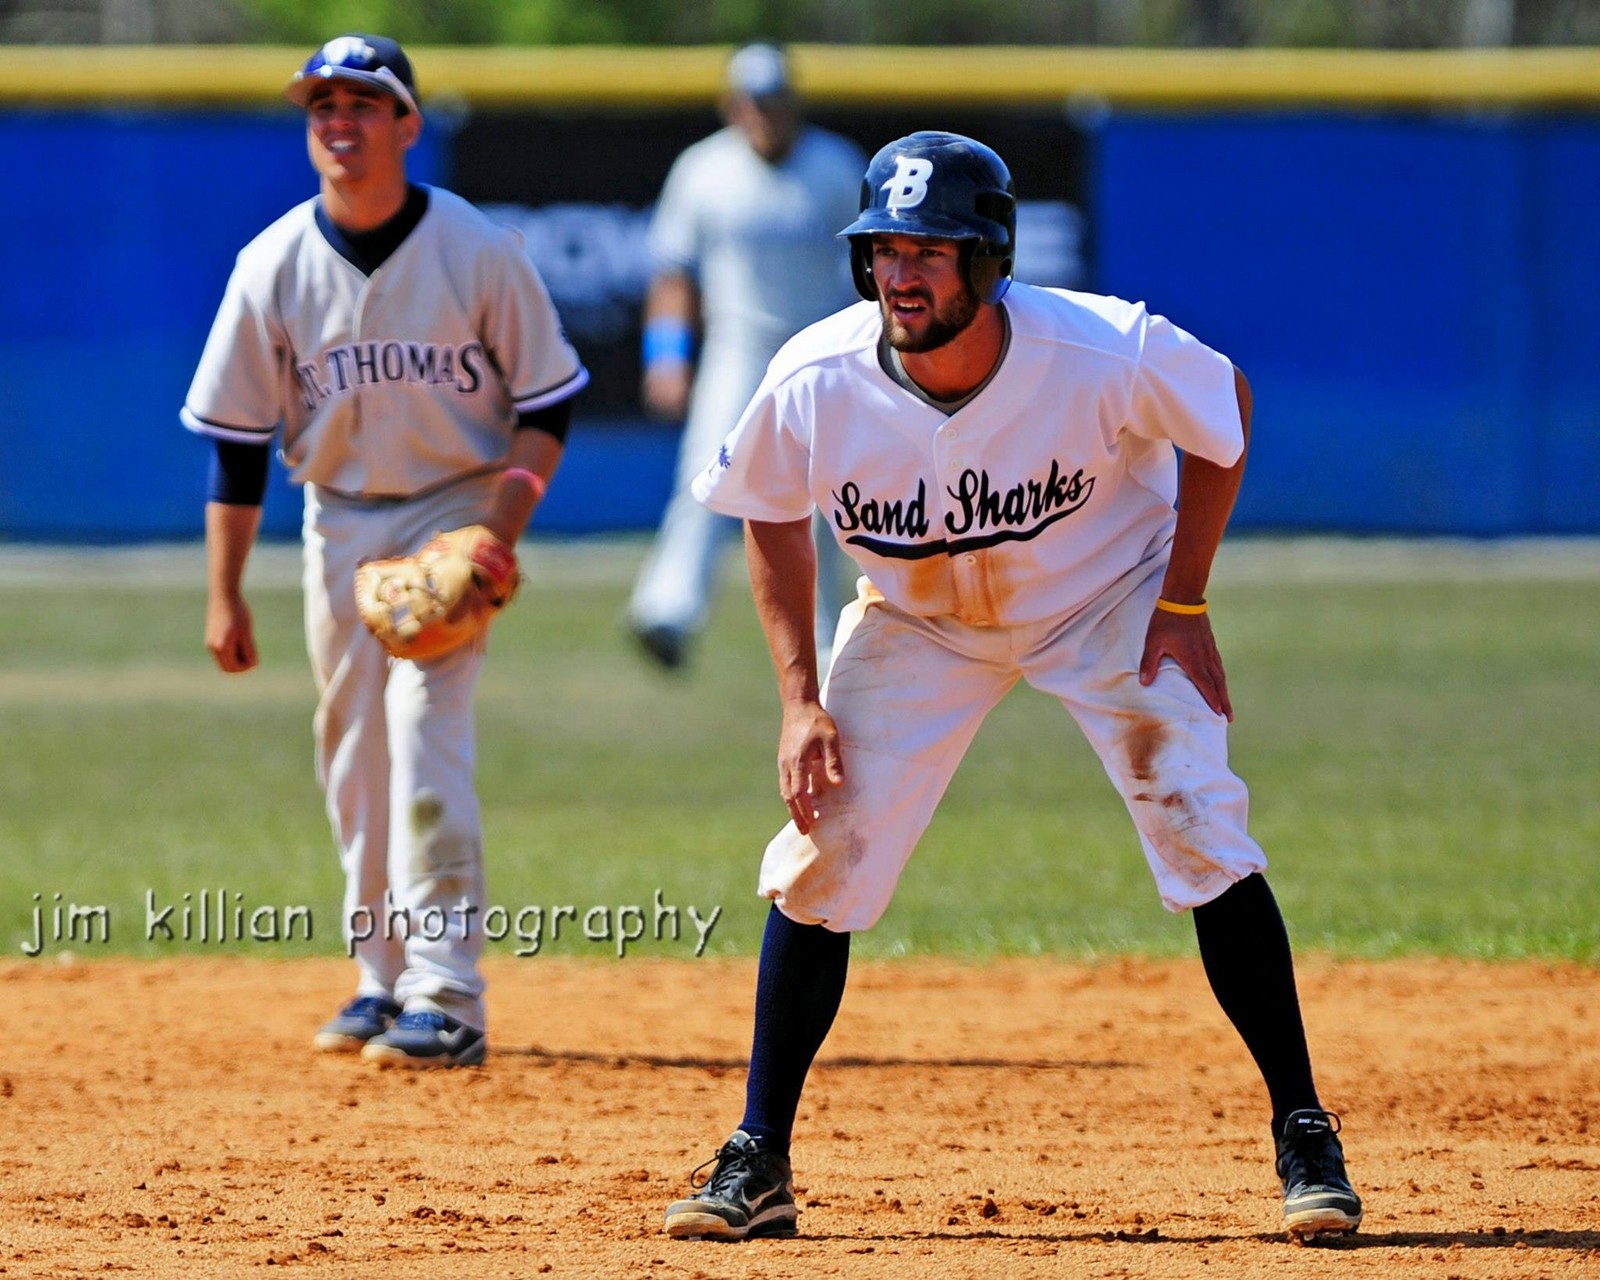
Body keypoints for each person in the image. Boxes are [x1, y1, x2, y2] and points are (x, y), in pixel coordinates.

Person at [662, 132, 1363, 1241]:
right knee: (823, 846)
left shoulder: (1096, 348)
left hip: (1104, 601)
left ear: (988, 261)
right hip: (918, 621)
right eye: (883, 247)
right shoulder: (816, 374)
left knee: (1196, 819)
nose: (900, 271)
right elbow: (768, 505)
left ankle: (1303, 1128)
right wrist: (799, 698)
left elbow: (1220, 403)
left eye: (929, 249)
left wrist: (1182, 598)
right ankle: (759, 1154)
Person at [182, 34, 588, 1067]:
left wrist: (497, 530)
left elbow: (548, 402)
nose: (341, 122)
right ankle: (380, 974)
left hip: (455, 508)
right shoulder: (271, 263)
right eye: (323, 104)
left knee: (423, 731)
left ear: (408, 123)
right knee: (351, 750)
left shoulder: (476, 249)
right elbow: (235, 444)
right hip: (337, 520)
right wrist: (224, 593)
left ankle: (448, 995)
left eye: (365, 103)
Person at [626, 42, 865, 672]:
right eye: (754, 101)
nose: (766, 114)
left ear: (796, 102)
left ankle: (821, 642)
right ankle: (667, 611)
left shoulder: (837, 167)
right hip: (737, 347)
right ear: (732, 105)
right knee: (704, 477)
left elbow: (868, 273)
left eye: (776, 100)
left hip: (819, 349)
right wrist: (666, 357)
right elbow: (672, 274)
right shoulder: (702, 170)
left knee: (821, 500)